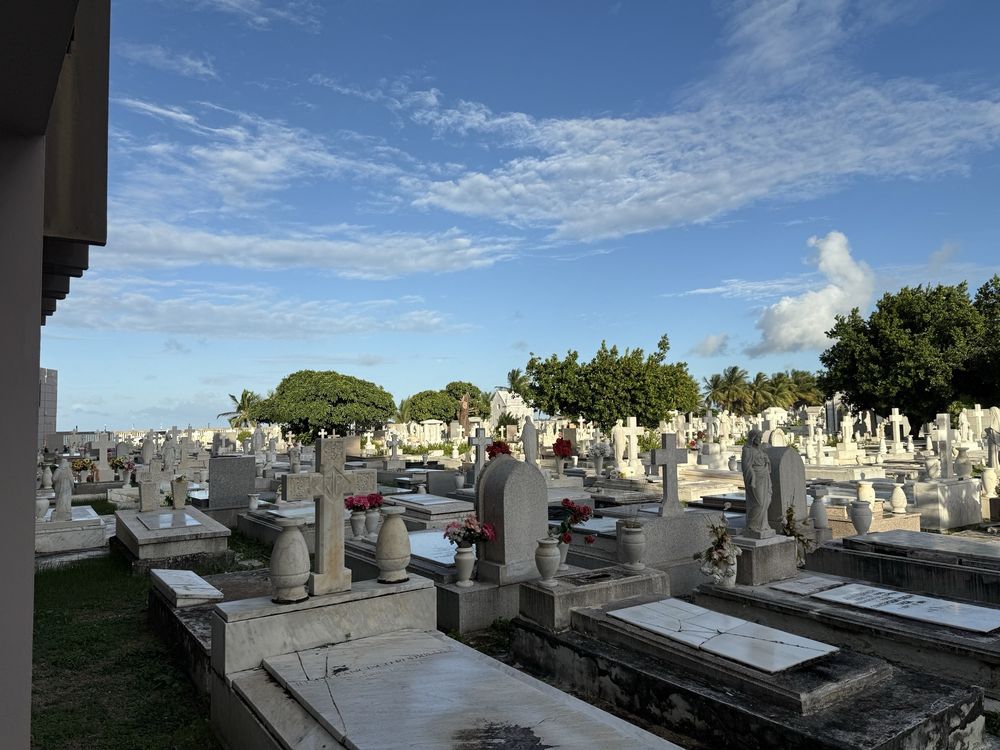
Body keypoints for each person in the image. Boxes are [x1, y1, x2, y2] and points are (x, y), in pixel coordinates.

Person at [741, 429, 773, 538]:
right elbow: (746, 466)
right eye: (758, 437)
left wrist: (767, 461)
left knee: (766, 500)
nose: (760, 439)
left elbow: (767, 463)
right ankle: (752, 525)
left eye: (760, 437)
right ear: (753, 438)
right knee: (758, 503)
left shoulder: (760, 449)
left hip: (765, 477)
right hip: (755, 478)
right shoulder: (747, 450)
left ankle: (763, 525)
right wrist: (752, 478)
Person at [52, 458, 74, 522]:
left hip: (60, 487)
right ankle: (66, 510)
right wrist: (72, 486)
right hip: (67, 488)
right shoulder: (68, 470)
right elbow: (71, 480)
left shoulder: (58, 470)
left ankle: (60, 510)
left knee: (59, 498)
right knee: (66, 499)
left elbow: (54, 479)